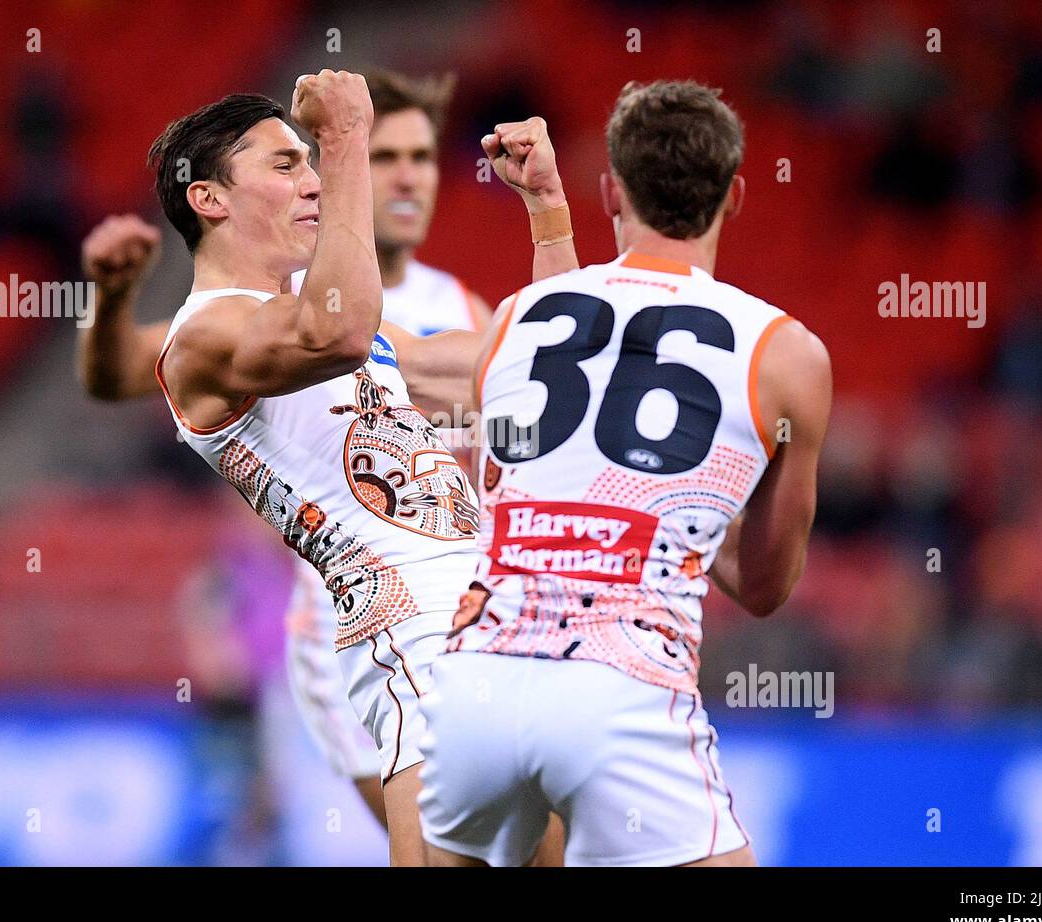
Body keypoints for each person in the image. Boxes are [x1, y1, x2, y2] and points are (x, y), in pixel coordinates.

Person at [80, 71, 576, 865]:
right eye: (286, 165)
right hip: (408, 628)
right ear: (209, 199)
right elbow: (334, 334)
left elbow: (540, 373)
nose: (313, 179)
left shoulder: (352, 328)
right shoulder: (200, 340)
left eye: (312, 161)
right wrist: (346, 137)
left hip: (499, 616)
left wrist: (547, 212)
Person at [413, 80, 833, 867]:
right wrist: (687, 505)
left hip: (476, 680)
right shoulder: (789, 355)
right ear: (735, 195)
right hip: (624, 688)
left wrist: (546, 212)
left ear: (610, 189)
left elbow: (519, 471)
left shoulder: (512, 320)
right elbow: (766, 585)